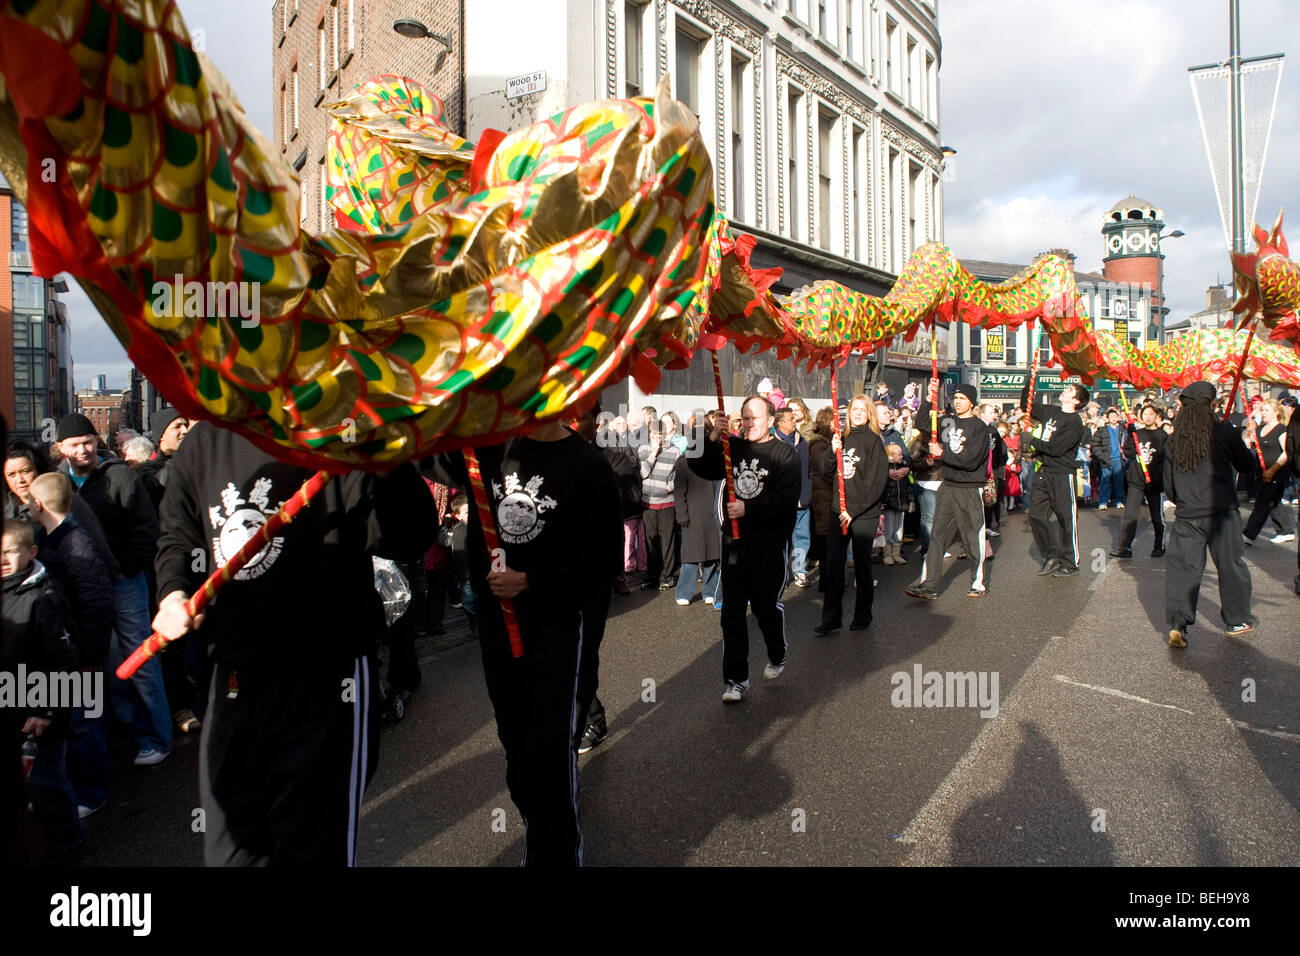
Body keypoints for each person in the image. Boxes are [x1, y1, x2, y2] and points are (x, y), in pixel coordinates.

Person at [152, 421, 434, 865]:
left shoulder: (340, 433)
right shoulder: (205, 438)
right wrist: (173, 592)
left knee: (312, 847)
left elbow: (411, 534)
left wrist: (387, 464)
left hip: (325, 676)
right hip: (233, 676)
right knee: (232, 847)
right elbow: (177, 535)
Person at [436, 420, 622, 865]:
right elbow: (435, 454)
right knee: (516, 747)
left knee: (550, 750)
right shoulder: (488, 448)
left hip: (556, 625)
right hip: (498, 625)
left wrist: (532, 582)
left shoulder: (588, 465)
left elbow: (604, 562)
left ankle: (554, 854)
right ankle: (539, 826)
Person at [55, 414, 169, 766]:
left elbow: (146, 527)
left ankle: (157, 737)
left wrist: (126, 565)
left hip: (123, 582)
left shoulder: (120, 475)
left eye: (88, 441)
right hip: (83, 589)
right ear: (61, 448)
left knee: (140, 657)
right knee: (101, 660)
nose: (83, 449)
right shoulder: (56, 482)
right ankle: (124, 729)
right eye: (74, 444)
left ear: (97, 441)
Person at [689, 396, 800, 703]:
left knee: (765, 609)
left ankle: (777, 653)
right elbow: (696, 462)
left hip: (768, 544)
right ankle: (735, 679)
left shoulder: (785, 454)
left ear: (771, 420)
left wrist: (747, 509)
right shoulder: (733, 446)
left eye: (755, 418)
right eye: (745, 418)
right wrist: (711, 434)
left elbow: (786, 500)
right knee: (732, 612)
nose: (749, 424)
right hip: (735, 543)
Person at [25, 473, 114, 818]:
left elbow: (96, 603)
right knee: (74, 725)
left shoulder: (74, 544)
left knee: (86, 726)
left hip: (84, 657)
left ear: (40, 504)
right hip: (72, 653)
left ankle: (91, 795)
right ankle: (69, 790)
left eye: (30, 501)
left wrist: (91, 658)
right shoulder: (58, 539)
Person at [2, 518, 83, 862]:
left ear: (31, 551)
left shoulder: (43, 597)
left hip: (41, 705)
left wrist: (43, 709)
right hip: (9, 703)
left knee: (46, 782)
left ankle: (69, 845)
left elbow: (62, 658)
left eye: (9, 552)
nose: (3, 559)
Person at [1163, 382, 1258, 647]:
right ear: (1210, 404)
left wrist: (1183, 499)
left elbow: (1168, 485)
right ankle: (1236, 619)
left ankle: (1178, 623)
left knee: (1184, 569)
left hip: (1188, 513)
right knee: (1231, 565)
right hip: (1222, 511)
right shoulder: (1224, 431)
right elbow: (1247, 465)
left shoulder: (1174, 438)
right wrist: (1237, 440)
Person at [905, 385, 992, 600]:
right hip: (948, 487)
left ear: (972, 402)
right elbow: (923, 424)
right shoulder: (948, 422)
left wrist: (943, 454)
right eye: (956, 398)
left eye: (963, 398)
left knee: (973, 538)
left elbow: (971, 460)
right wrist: (928, 398)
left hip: (970, 490)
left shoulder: (979, 428)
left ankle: (977, 582)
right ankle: (929, 585)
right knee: (937, 537)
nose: (958, 401)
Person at [816, 394, 888, 633]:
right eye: (854, 409)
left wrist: (853, 511)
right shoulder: (841, 437)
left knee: (861, 564)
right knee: (833, 565)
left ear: (869, 414)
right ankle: (831, 618)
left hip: (863, 513)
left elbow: (875, 484)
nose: (857, 413)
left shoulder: (873, 441)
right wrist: (831, 450)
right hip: (839, 511)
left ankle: (863, 614)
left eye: (862, 410)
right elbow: (825, 472)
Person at [1019, 383, 1088, 576]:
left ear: (1076, 400)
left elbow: (1056, 449)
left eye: (1070, 390)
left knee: (1066, 519)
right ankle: (1051, 554)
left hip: (1062, 473)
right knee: (1036, 515)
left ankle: (1070, 562)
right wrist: (1029, 381)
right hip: (1044, 471)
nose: (1065, 390)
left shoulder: (1075, 422)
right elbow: (1028, 406)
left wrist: (1031, 440)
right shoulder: (1051, 410)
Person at [674, 413, 723, 609]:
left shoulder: (715, 459)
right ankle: (684, 591)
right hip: (693, 515)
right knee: (690, 558)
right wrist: (682, 515)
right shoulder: (683, 461)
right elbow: (679, 492)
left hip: (712, 513)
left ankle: (709, 591)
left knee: (713, 555)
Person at [1109, 403, 1168, 559]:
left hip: (1154, 480)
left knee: (1157, 516)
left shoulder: (1162, 436)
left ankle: (1159, 546)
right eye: (1145, 414)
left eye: (1151, 414)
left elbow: (1167, 457)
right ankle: (1125, 547)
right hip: (1136, 479)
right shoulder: (1136, 433)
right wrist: (1131, 438)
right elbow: (1127, 453)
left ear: (1157, 417)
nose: (1148, 417)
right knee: (1130, 515)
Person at [638, 413, 682, 591]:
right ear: (649, 434)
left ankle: (666, 576)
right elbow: (643, 474)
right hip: (649, 502)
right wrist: (653, 454)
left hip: (667, 502)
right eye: (654, 434)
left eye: (660, 435)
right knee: (650, 541)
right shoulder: (643, 450)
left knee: (667, 541)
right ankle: (651, 576)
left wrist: (669, 486)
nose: (657, 438)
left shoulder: (675, 451)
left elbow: (678, 476)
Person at [1242, 399, 1294, 545]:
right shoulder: (1259, 429)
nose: (1263, 413)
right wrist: (1249, 430)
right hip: (1260, 472)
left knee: (1262, 503)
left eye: (1266, 410)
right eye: (1262, 410)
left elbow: (1286, 453)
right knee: (1274, 502)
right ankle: (1286, 531)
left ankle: (1248, 535)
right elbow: (1248, 444)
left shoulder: (1282, 429)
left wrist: (1273, 469)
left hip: (1275, 471)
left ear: (1276, 412)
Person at [775, 407, 813, 587]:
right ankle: (781, 573)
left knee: (802, 538)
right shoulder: (773, 443)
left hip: (802, 500)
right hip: (782, 503)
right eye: (791, 418)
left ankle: (799, 571)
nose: (795, 421)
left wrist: (807, 492)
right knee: (781, 539)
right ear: (780, 423)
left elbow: (808, 471)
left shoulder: (802, 442)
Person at [138, 407, 189, 510]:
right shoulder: (147, 470)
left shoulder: (193, 462)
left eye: (186, 425)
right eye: (177, 426)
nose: (185, 430)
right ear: (161, 436)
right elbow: (157, 486)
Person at [881, 443, 911, 565]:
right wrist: (882, 501)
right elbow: (882, 487)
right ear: (891, 457)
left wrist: (911, 500)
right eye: (899, 454)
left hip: (901, 502)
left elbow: (907, 487)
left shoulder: (903, 469)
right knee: (889, 528)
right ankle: (887, 554)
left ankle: (896, 553)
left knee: (899, 529)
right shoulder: (885, 469)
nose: (902, 456)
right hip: (889, 503)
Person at [1093, 408, 1126, 510]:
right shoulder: (1102, 430)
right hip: (1107, 459)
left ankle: (1119, 501)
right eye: (1111, 417)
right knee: (1105, 481)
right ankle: (1103, 502)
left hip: (1118, 459)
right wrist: (1102, 456)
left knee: (1119, 481)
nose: (1113, 419)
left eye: (1115, 416)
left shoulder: (1121, 429)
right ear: (1107, 419)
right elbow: (1095, 444)